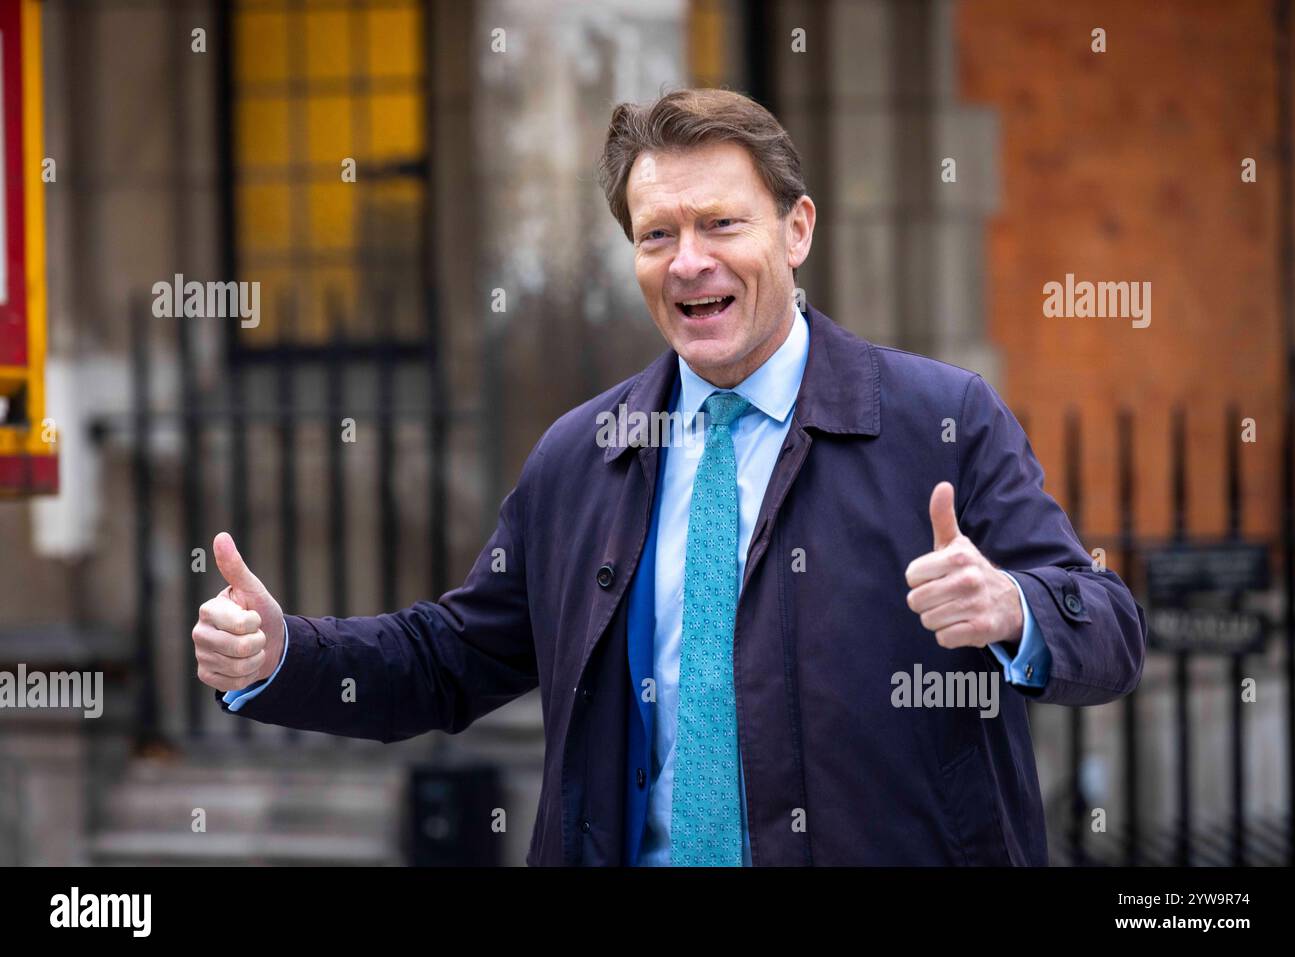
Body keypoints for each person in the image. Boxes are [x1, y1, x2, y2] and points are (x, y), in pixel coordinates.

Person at [191, 88, 1146, 866]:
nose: (690, 262)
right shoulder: (582, 455)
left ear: (797, 229)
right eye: (657, 235)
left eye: (722, 223)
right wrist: (284, 657)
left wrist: (1013, 606)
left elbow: (1109, 626)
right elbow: (449, 658)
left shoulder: (941, 419)